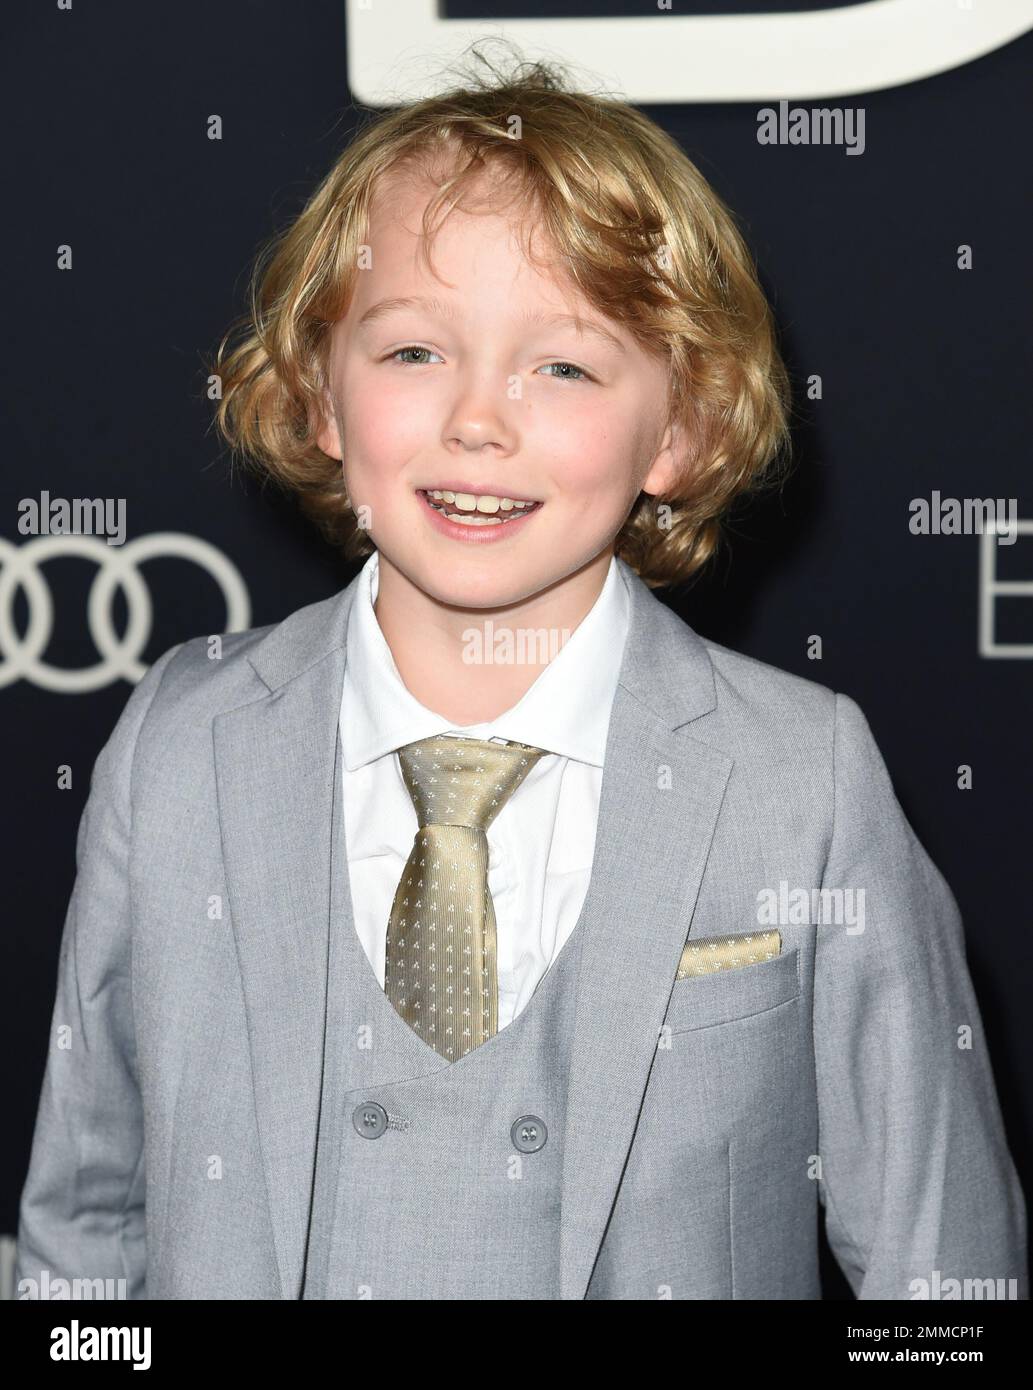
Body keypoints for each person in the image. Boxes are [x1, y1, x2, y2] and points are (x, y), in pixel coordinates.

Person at [16, 51, 1026, 1300]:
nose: (478, 420)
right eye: (411, 354)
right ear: (320, 395)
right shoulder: (180, 746)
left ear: (685, 425)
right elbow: (79, 1244)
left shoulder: (800, 780)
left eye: (564, 365)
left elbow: (944, 1278)